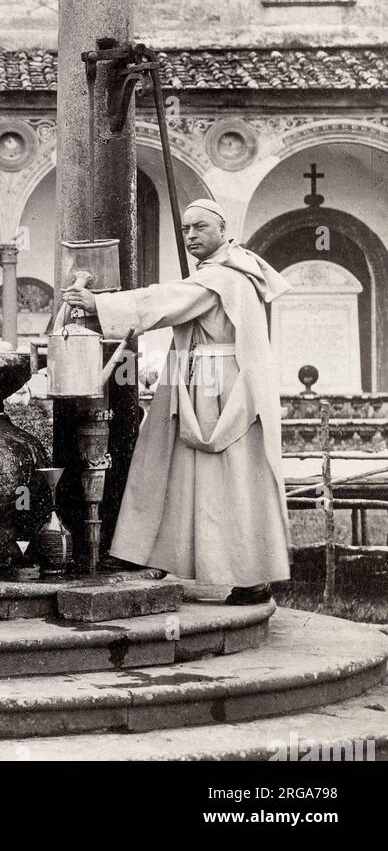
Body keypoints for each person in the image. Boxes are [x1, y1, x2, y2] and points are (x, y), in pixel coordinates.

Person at [63, 199, 292, 605]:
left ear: (223, 229)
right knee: (184, 472)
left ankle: (252, 574)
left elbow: (164, 301)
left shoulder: (225, 278)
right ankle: (163, 555)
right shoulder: (224, 273)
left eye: (199, 228)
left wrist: (99, 305)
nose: (190, 237)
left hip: (218, 389)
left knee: (228, 480)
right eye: (185, 230)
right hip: (200, 380)